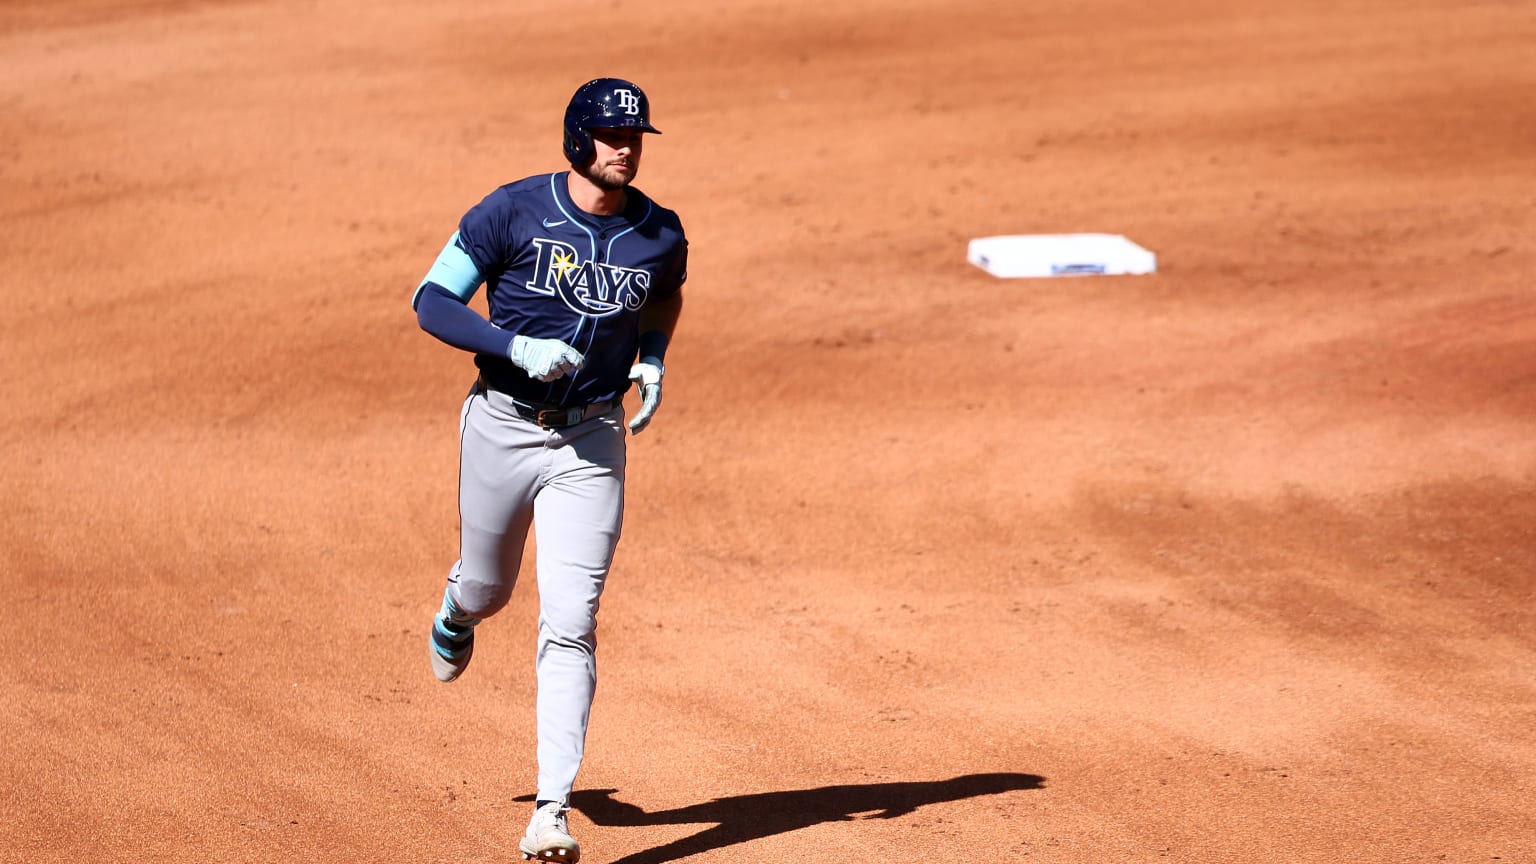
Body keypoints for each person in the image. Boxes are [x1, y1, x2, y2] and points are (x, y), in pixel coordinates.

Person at [409, 77, 687, 863]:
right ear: (576, 139)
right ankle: (457, 611)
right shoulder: (512, 210)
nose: (624, 148)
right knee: (488, 589)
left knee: (571, 623)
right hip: (500, 426)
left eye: (633, 137)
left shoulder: (660, 233)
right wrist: (512, 346)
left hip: (591, 443)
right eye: (609, 136)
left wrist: (655, 355)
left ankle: (550, 811)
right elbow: (432, 301)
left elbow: (664, 296)